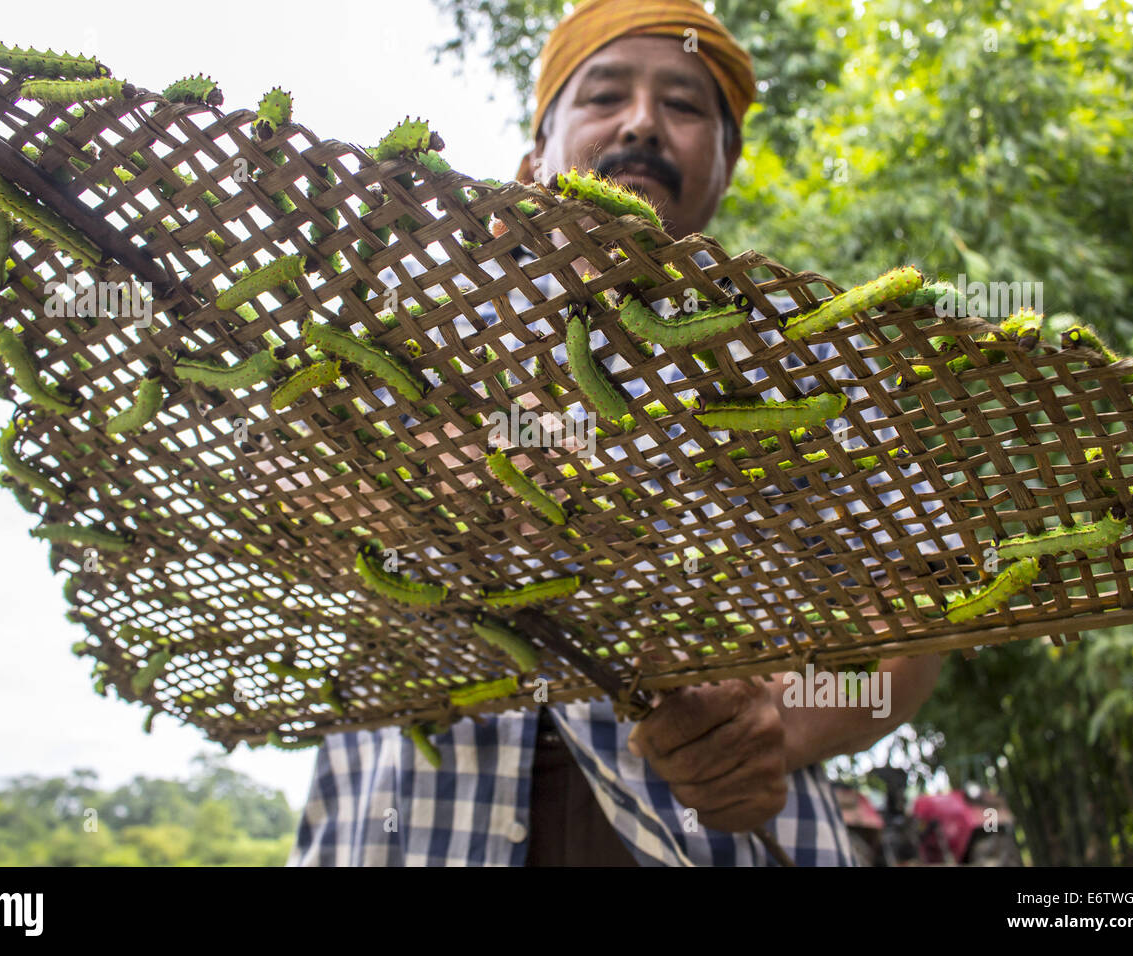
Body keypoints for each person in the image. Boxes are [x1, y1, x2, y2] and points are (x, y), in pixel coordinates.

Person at [289, 0, 944, 866]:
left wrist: (777, 728)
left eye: (683, 105)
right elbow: (292, 503)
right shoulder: (406, 331)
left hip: (720, 833)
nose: (642, 123)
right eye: (604, 96)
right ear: (533, 158)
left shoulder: (811, 363)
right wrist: (452, 477)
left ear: (725, 165)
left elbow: (916, 623)